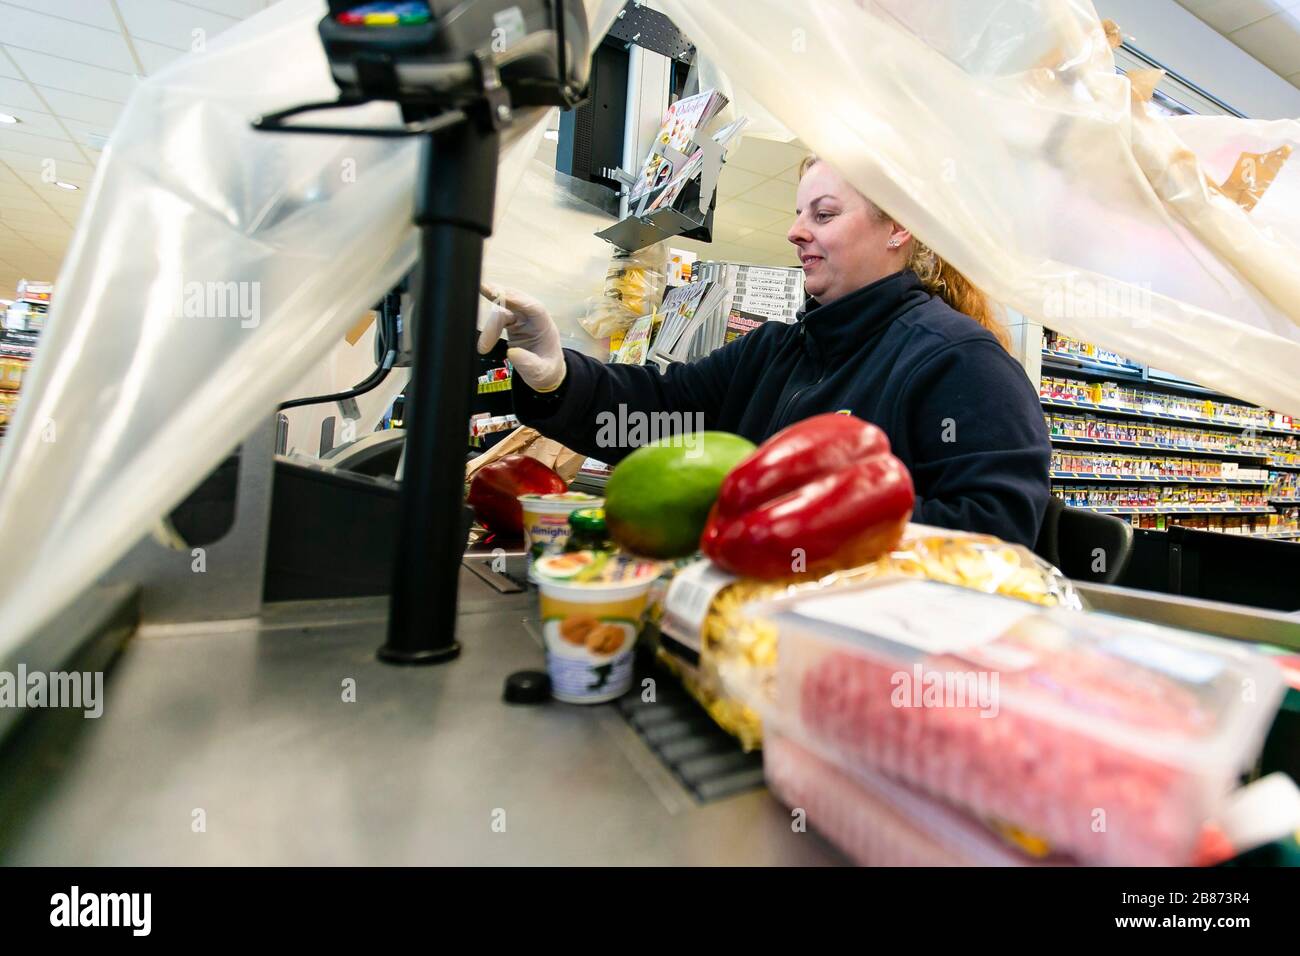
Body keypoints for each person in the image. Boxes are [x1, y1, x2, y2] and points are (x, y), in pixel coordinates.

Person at [479, 156, 1051, 547]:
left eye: (823, 214)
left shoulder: (958, 361)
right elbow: (658, 411)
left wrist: (811, 512)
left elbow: (996, 531)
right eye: (799, 213)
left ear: (898, 228)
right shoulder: (777, 351)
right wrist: (557, 379)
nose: (796, 231)